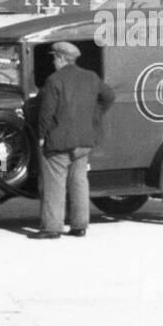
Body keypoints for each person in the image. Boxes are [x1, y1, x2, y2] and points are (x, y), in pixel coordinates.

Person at [30, 41, 115, 239]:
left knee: (54, 183)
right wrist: (95, 115)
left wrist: (42, 136)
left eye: (54, 58)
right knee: (79, 181)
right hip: (84, 141)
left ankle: (52, 228)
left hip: (59, 141)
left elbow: (46, 113)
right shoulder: (91, 77)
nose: (53, 61)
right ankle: (79, 226)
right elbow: (109, 96)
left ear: (60, 59)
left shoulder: (54, 80)